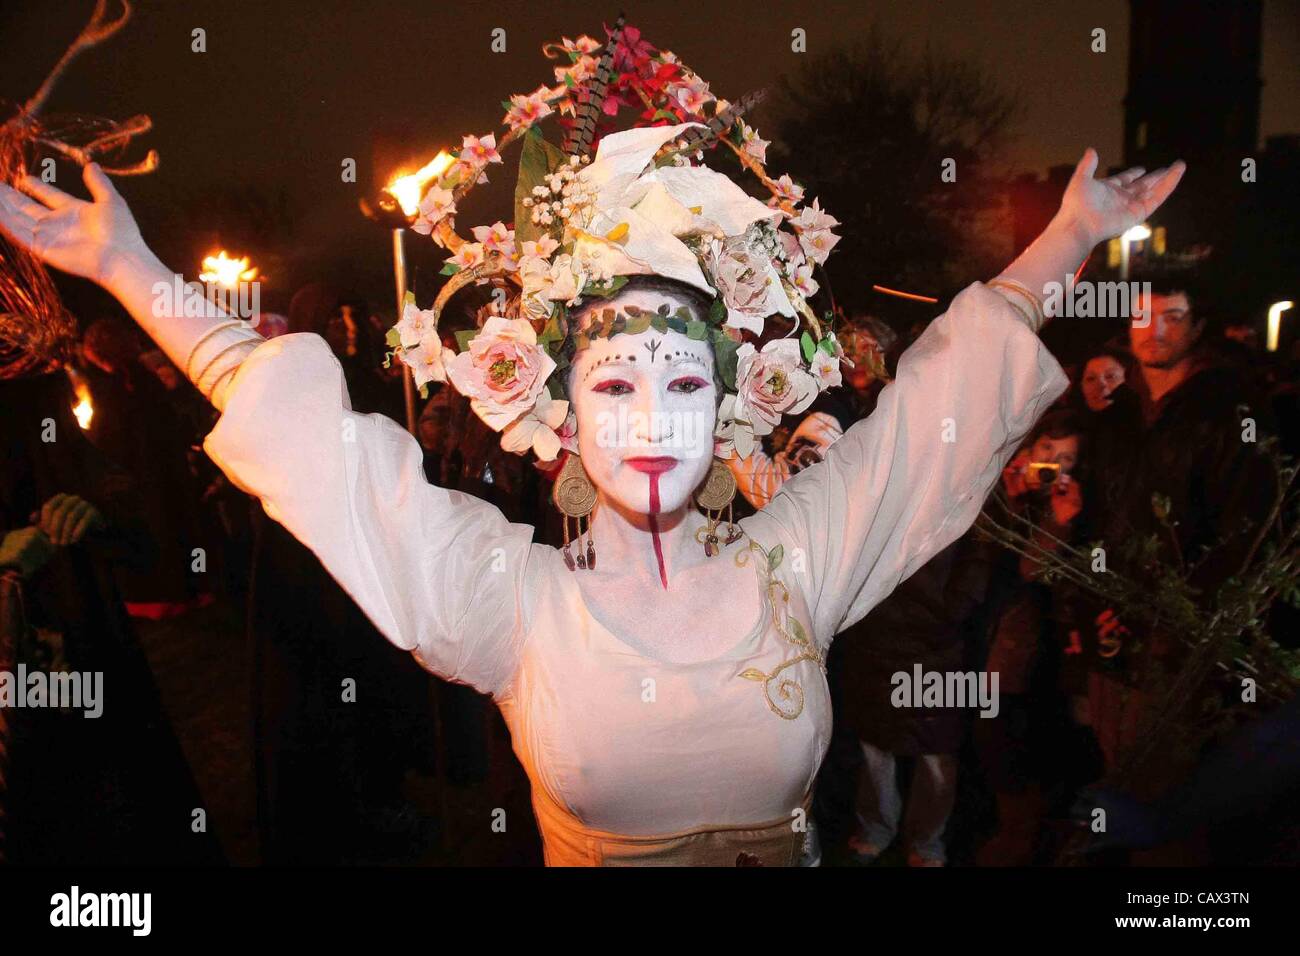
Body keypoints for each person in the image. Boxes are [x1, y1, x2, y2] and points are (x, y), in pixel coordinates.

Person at [0, 24, 1183, 865]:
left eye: (683, 380)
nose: (653, 414)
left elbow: (943, 406)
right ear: (562, 415)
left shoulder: (799, 559)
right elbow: (320, 449)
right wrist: (131, 269)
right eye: (616, 380)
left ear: (725, 406)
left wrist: (1068, 237)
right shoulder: (509, 602)